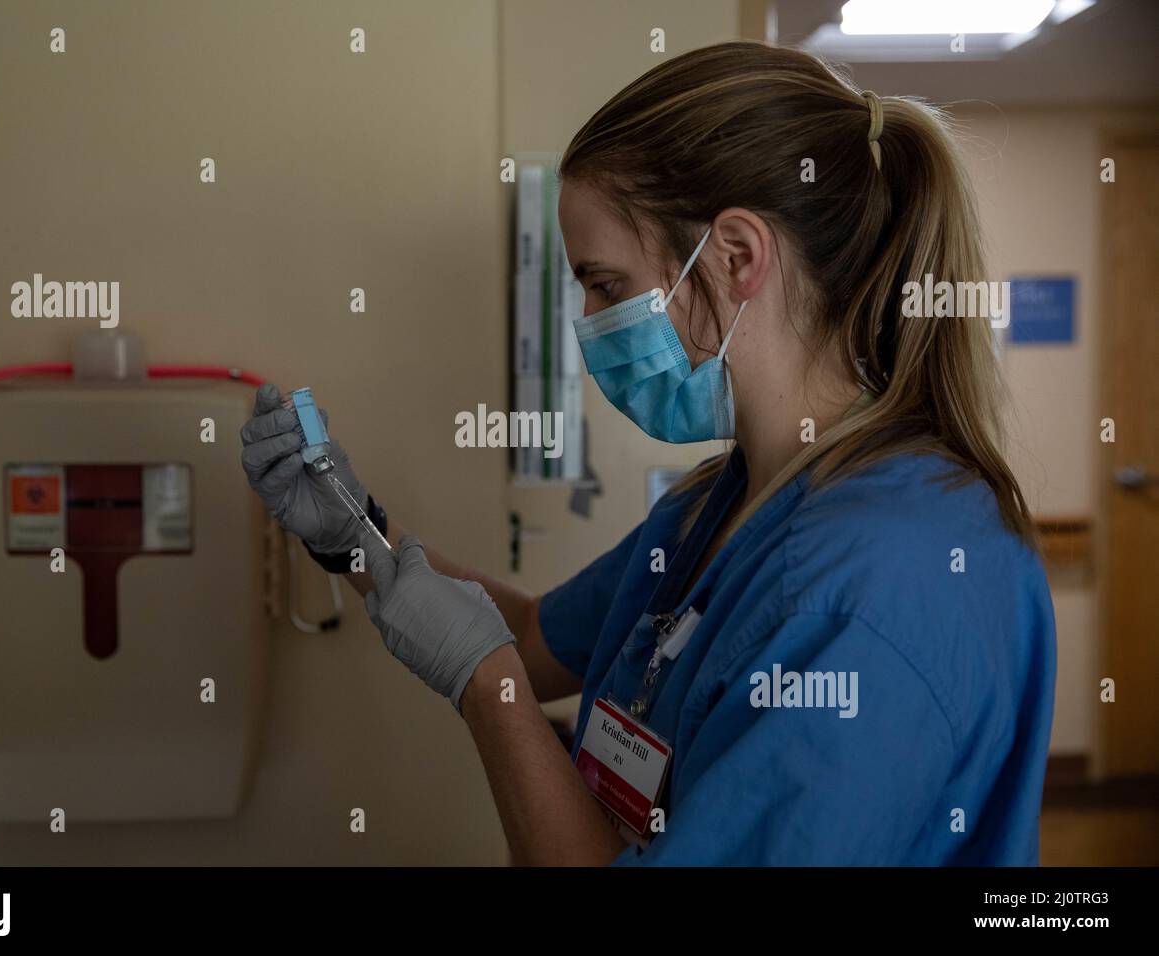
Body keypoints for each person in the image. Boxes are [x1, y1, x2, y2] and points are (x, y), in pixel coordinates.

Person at [241, 41, 1055, 866]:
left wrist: (488, 690)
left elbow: (499, 661)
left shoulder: (875, 589)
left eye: (607, 285)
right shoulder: (723, 504)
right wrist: (353, 533)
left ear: (736, 257)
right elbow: (528, 634)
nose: (589, 323)